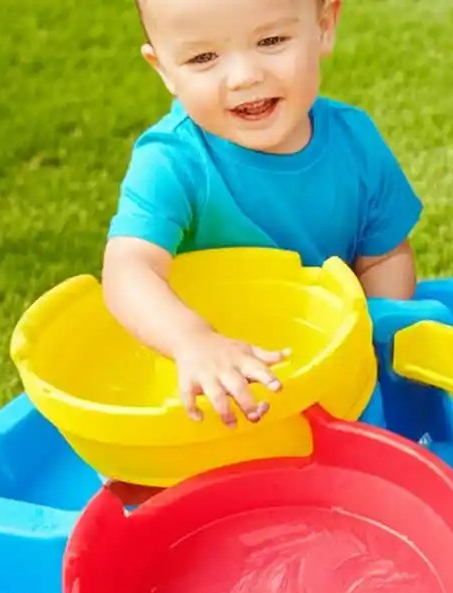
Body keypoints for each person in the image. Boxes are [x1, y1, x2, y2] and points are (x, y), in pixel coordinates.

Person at [102, 0, 422, 428]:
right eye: (203, 57)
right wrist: (191, 340)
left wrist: (372, 332)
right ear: (164, 70)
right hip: (212, 397)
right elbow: (129, 267)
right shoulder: (173, 162)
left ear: (323, 27)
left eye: (270, 41)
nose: (244, 76)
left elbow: (383, 255)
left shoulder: (355, 142)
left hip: (331, 378)